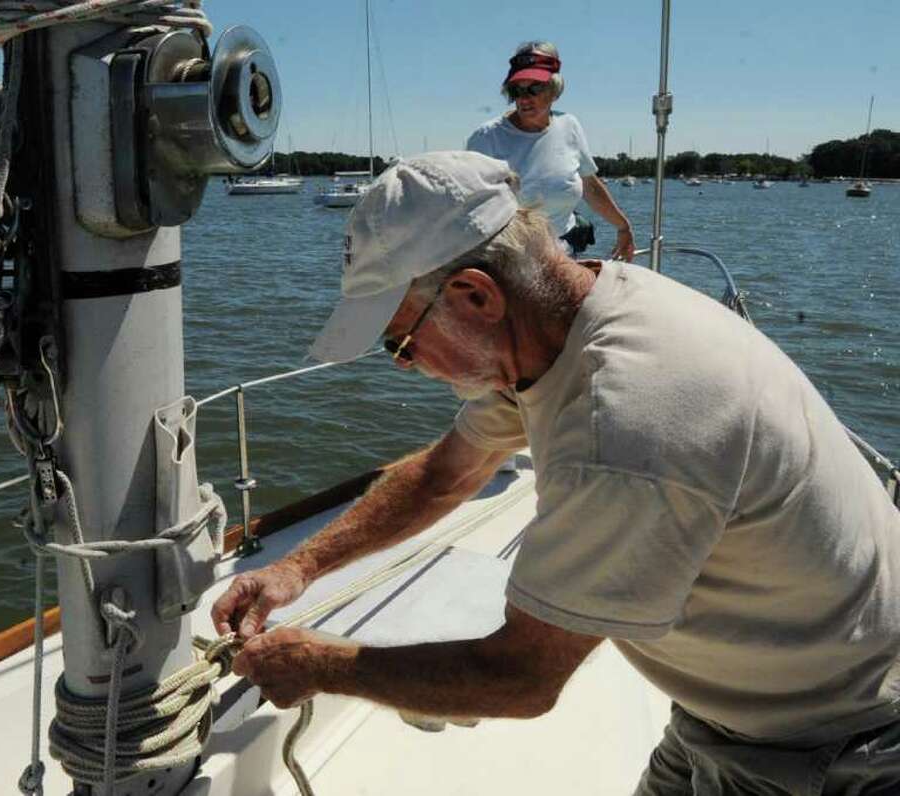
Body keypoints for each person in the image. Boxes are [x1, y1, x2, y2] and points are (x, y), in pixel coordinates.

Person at [213, 151, 900, 793]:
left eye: (400, 339)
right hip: (723, 709)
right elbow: (447, 474)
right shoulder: (576, 316)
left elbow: (520, 676)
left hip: (828, 746)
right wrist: (296, 568)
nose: (402, 362)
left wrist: (321, 666)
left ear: (476, 297)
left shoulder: (624, 422)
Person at [467, 41, 634, 260]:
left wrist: (623, 227)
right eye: (517, 89)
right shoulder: (486, 138)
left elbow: (589, 185)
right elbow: (468, 210)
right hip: (510, 260)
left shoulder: (569, 125)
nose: (525, 97)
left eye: (535, 88)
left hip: (564, 252)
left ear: (555, 90)